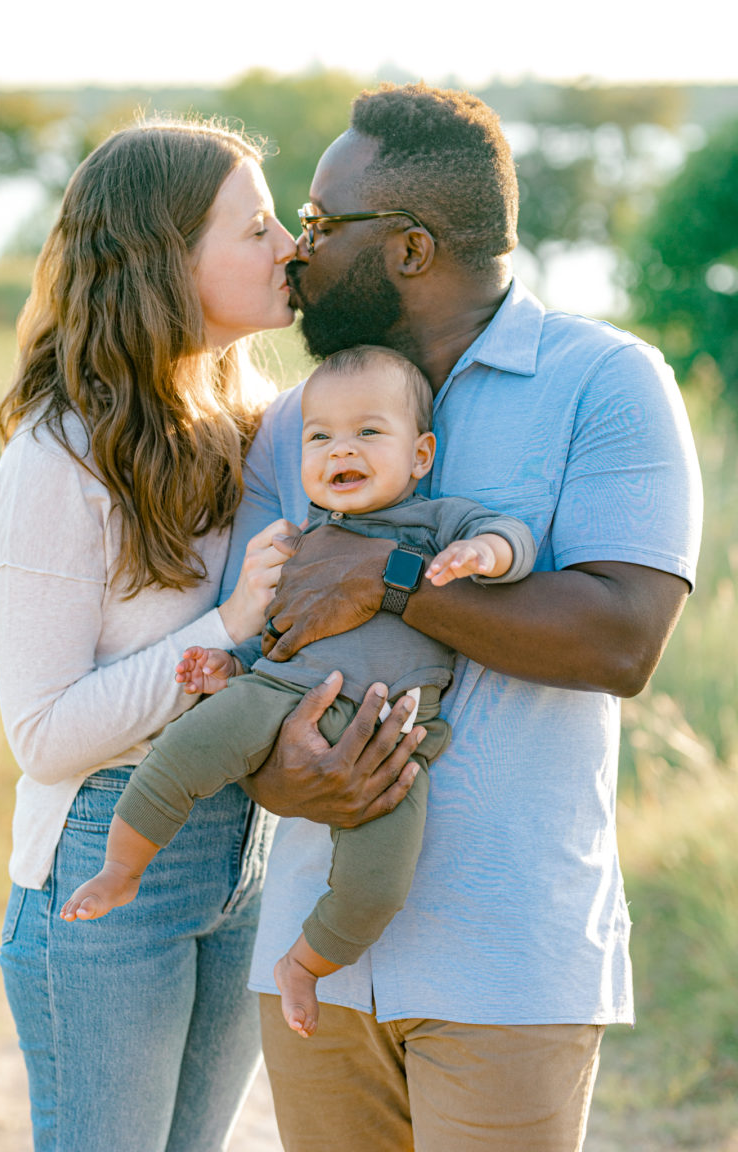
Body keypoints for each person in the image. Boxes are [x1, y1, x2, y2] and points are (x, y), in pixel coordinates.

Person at [213, 83, 703, 1151]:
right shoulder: (293, 422)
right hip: (314, 959)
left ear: (411, 247)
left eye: (319, 224)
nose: (298, 253)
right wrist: (268, 772)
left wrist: (385, 578)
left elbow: (622, 638)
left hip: (508, 961)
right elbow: (244, 642)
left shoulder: (609, 383)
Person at [59, 343, 536, 1040]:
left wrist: (485, 555)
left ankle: (305, 964)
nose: (343, 449)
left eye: (370, 432)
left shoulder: (438, 523)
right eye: (321, 437)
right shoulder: (301, 541)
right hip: (282, 692)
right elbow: (282, 635)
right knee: (185, 751)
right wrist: (232, 670)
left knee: (379, 884)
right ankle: (122, 868)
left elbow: (510, 532)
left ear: (421, 455)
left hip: (393, 744)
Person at [0, 117, 305, 1152]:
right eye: (256, 228)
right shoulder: (57, 456)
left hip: (246, 842)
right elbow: (42, 735)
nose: (286, 247)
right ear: (169, 258)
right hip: (107, 853)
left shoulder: (258, 424)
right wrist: (229, 626)